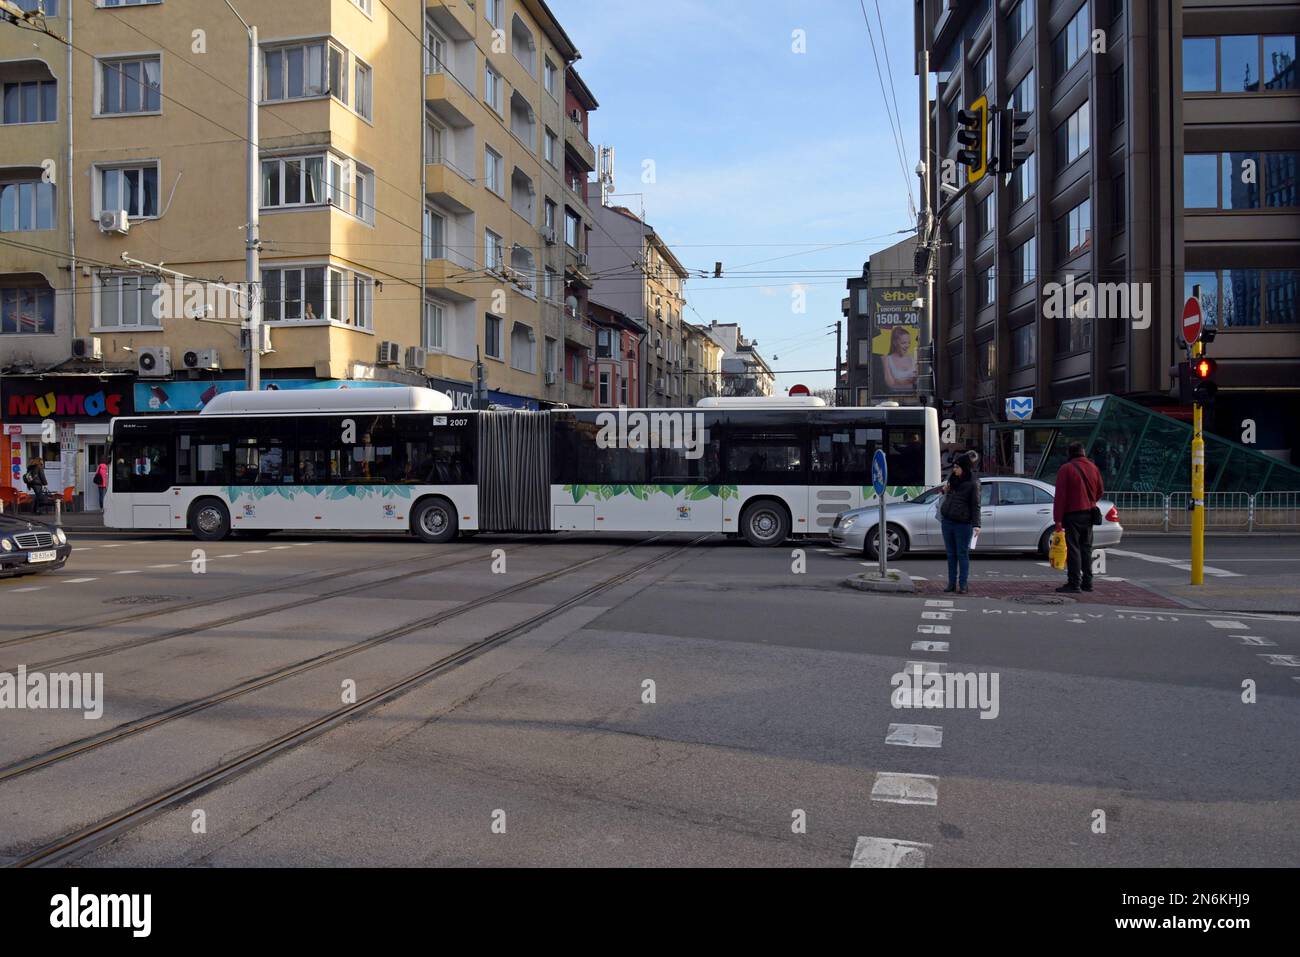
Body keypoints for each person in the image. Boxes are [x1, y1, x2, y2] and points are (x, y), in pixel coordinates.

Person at [1053, 441, 1105, 593]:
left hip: (1072, 514)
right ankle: (1088, 583)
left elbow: (1060, 497)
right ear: (1083, 452)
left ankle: (1074, 583)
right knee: (1086, 548)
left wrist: (1058, 520)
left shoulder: (1066, 469)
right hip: (1089, 513)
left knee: (1073, 549)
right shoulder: (1093, 467)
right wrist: (1090, 501)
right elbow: (1100, 490)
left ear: (1070, 453)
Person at [938, 451, 981, 594]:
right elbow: (946, 497)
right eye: (954, 467)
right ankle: (951, 584)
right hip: (948, 521)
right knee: (951, 554)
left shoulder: (972, 483)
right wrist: (944, 491)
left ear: (964, 468)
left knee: (962, 554)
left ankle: (963, 584)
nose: (954, 470)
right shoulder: (952, 480)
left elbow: (975, 505)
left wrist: (977, 525)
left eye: (957, 467)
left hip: (963, 523)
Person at [882, 326, 918, 393]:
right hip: (893, 400)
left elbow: (917, 382)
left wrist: (898, 381)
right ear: (895, 343)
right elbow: (891, 384)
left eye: (909, 342)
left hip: (914, 398)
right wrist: (909, 381)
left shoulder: (913, 358)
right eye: (903, 343)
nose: (907, 346)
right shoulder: (887, 359)